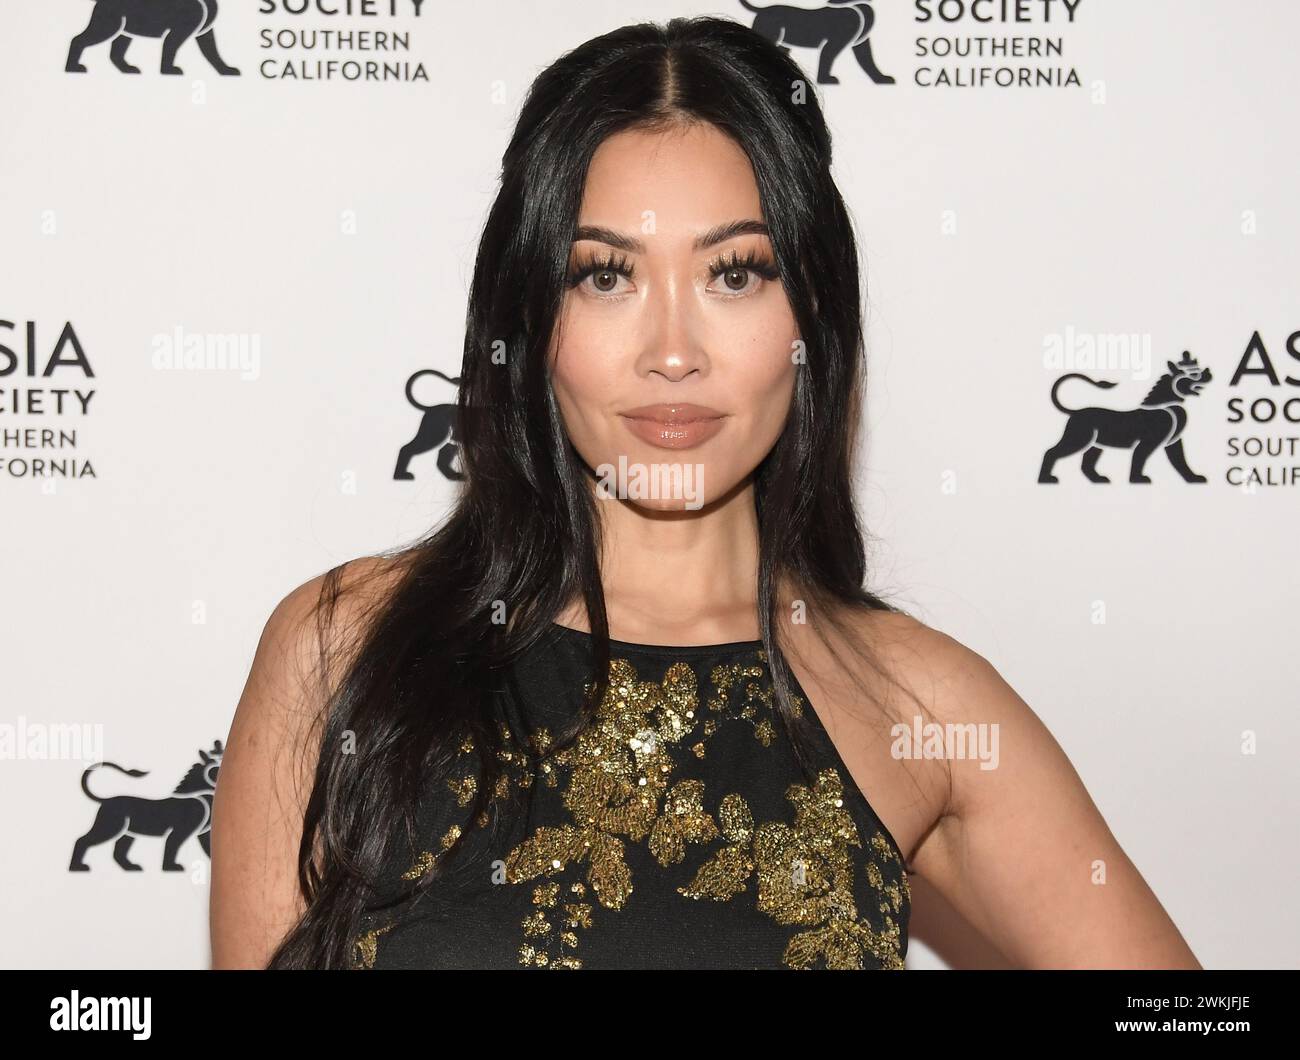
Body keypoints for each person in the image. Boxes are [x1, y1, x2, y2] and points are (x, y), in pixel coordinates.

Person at [209, 15, 1201, 971]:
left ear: (813, 311)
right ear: (527, 315)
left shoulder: (919, 707)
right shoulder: (342, 648)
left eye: (735, 274)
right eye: (606, 276)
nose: (674, 352)